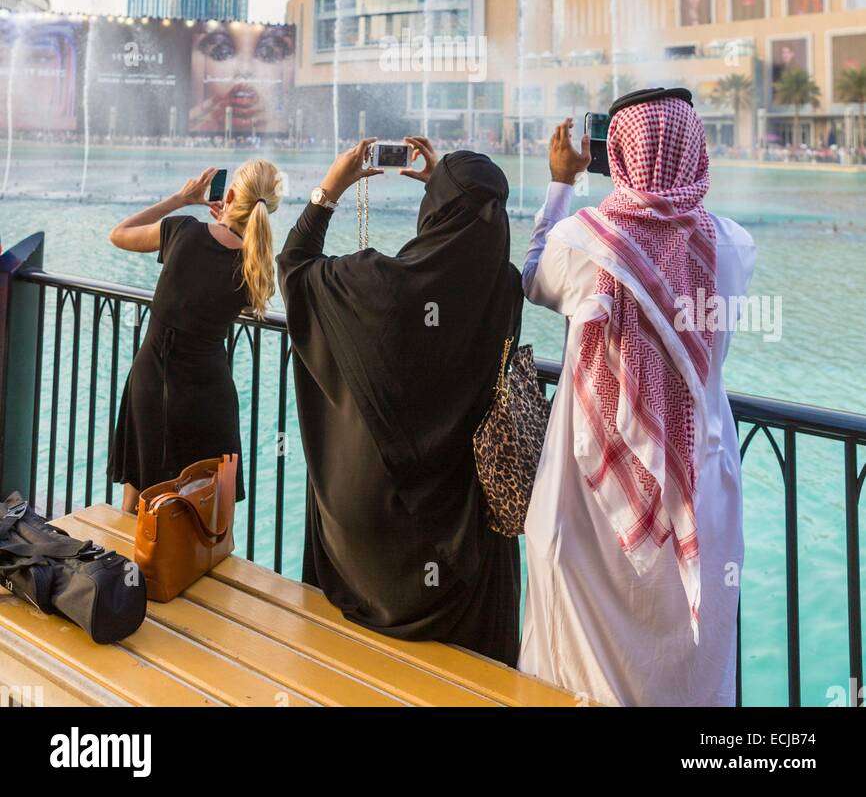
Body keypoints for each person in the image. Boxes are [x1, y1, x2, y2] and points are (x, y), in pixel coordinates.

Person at [519, 91, 756, 707]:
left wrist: (560, 183)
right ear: (695, 152)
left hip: (593, 480)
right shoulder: (732, 246)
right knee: (690, 652)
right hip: (700, 477)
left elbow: (533, 277)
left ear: (617, 154)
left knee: (580, 659)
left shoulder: (582, 240)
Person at [277, 137, 523, 665]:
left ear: (433, 208)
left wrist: (331, 188)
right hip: (457, 534)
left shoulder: (376, 283)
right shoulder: (504, 289)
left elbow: (294, 266)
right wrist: (449, 186)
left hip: (367, 537)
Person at [108, 160, 283, 512]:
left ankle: (131, 551)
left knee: (136, 504)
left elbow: (120, 233)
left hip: (154, 383)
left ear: (229, 196)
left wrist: (181, 199)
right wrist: (233, 227)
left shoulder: (182, 231)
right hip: (208, 398)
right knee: (211, 513)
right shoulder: (255, 266)